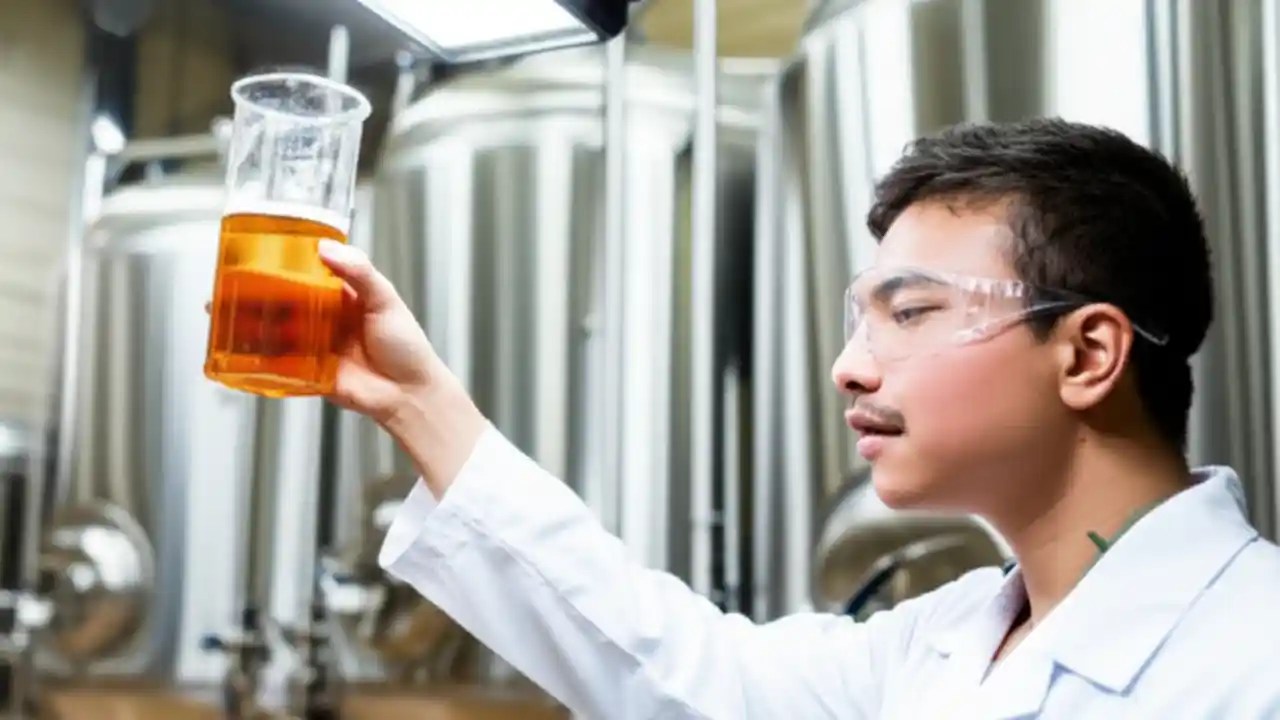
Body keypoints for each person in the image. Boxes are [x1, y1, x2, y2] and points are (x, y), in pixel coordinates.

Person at [313, 119, 1280, 718]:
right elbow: (678, 670)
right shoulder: (936, 648)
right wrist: (418, 402)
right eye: (861, 320)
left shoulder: (1252, 657)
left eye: (910, 313)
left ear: (1087, 354)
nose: (848, 368)